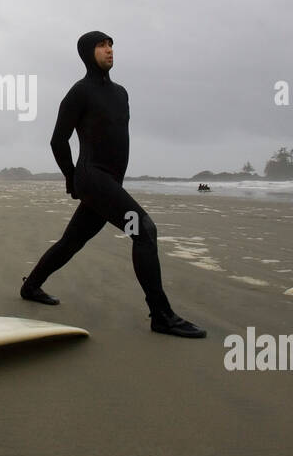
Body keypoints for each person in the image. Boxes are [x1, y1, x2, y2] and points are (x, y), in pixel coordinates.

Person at [20, 31, 206, 338]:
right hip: (92, 177)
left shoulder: (121, 93)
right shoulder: (79, 92)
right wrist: (71, 177)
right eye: (101, 45)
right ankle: (161, 315)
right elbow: (58, 140)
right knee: (144, 230)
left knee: (73, 241)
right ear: (86, 53)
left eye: (111, 45)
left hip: (109, 181)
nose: (109, 50)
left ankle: (31, 286)